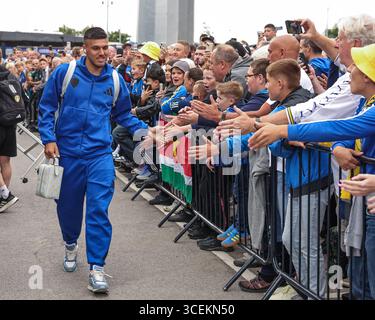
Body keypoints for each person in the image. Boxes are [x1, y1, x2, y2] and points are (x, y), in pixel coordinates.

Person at [38, 27, 148, 294]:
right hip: (68, 154)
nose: (102, 53)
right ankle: (70, 242)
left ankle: (97, 268)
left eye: (105, 47)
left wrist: (145, 131)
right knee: (69, 209)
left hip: (99, 155)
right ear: (85, 48)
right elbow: (46, 105)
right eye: (96, 48)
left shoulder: (115, 79)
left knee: (98, 210)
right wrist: (48, 138)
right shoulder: (66, 73)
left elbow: (123, 114)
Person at [0, 65, 19, 213]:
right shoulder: (10, 75)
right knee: (5, 161)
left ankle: (5, 195)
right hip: (10, 122)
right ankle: (3, 197)